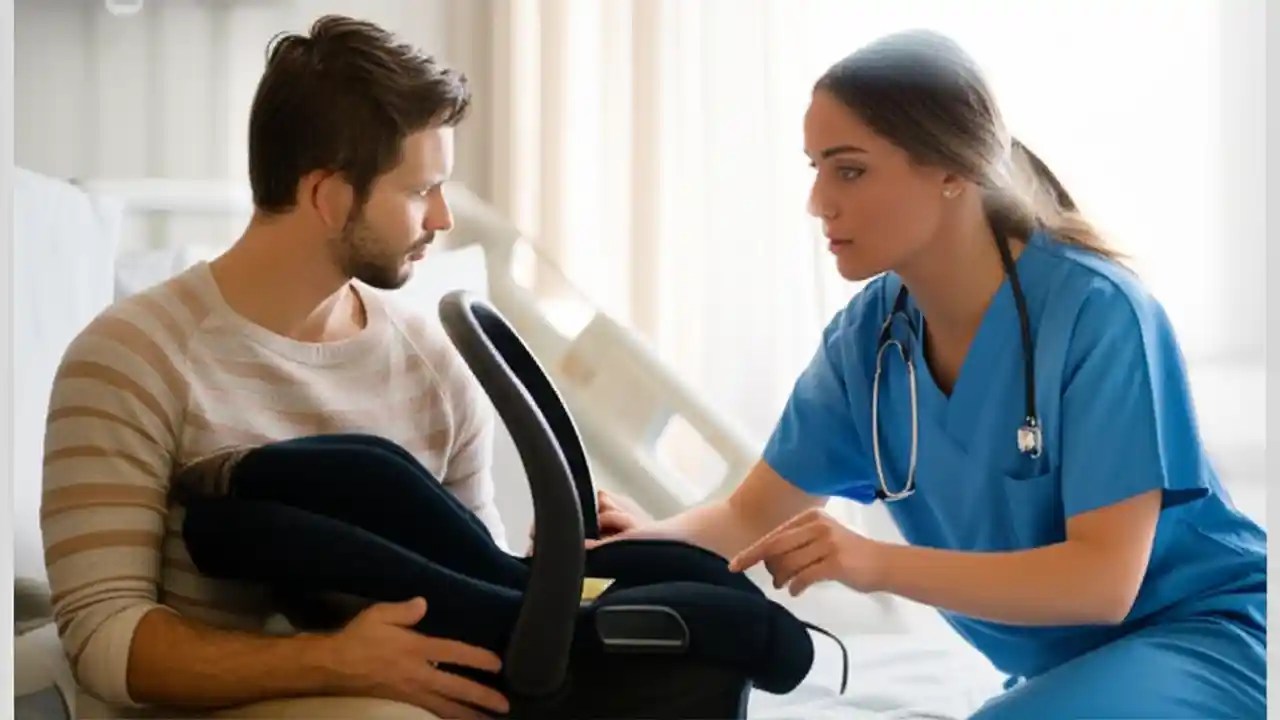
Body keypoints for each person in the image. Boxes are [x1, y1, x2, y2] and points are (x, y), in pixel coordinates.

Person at [599, 29, 1267, 719]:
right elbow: (749, 516)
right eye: (815, 169)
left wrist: (873, 563)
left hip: (1204, 639)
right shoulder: (869, 340)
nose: (818, 202)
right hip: (1067, 669)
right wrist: (624, 547)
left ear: (952, 169)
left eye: (849, 171)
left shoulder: (1099, 314)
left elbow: (1103, 582)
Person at [40, 15, 513, 720]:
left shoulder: (435, 369)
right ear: (327, 197)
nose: (442, 218)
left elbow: (478, 587)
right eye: (421, 190)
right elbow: (105, 638)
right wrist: (335, 663)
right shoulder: (131, 358)